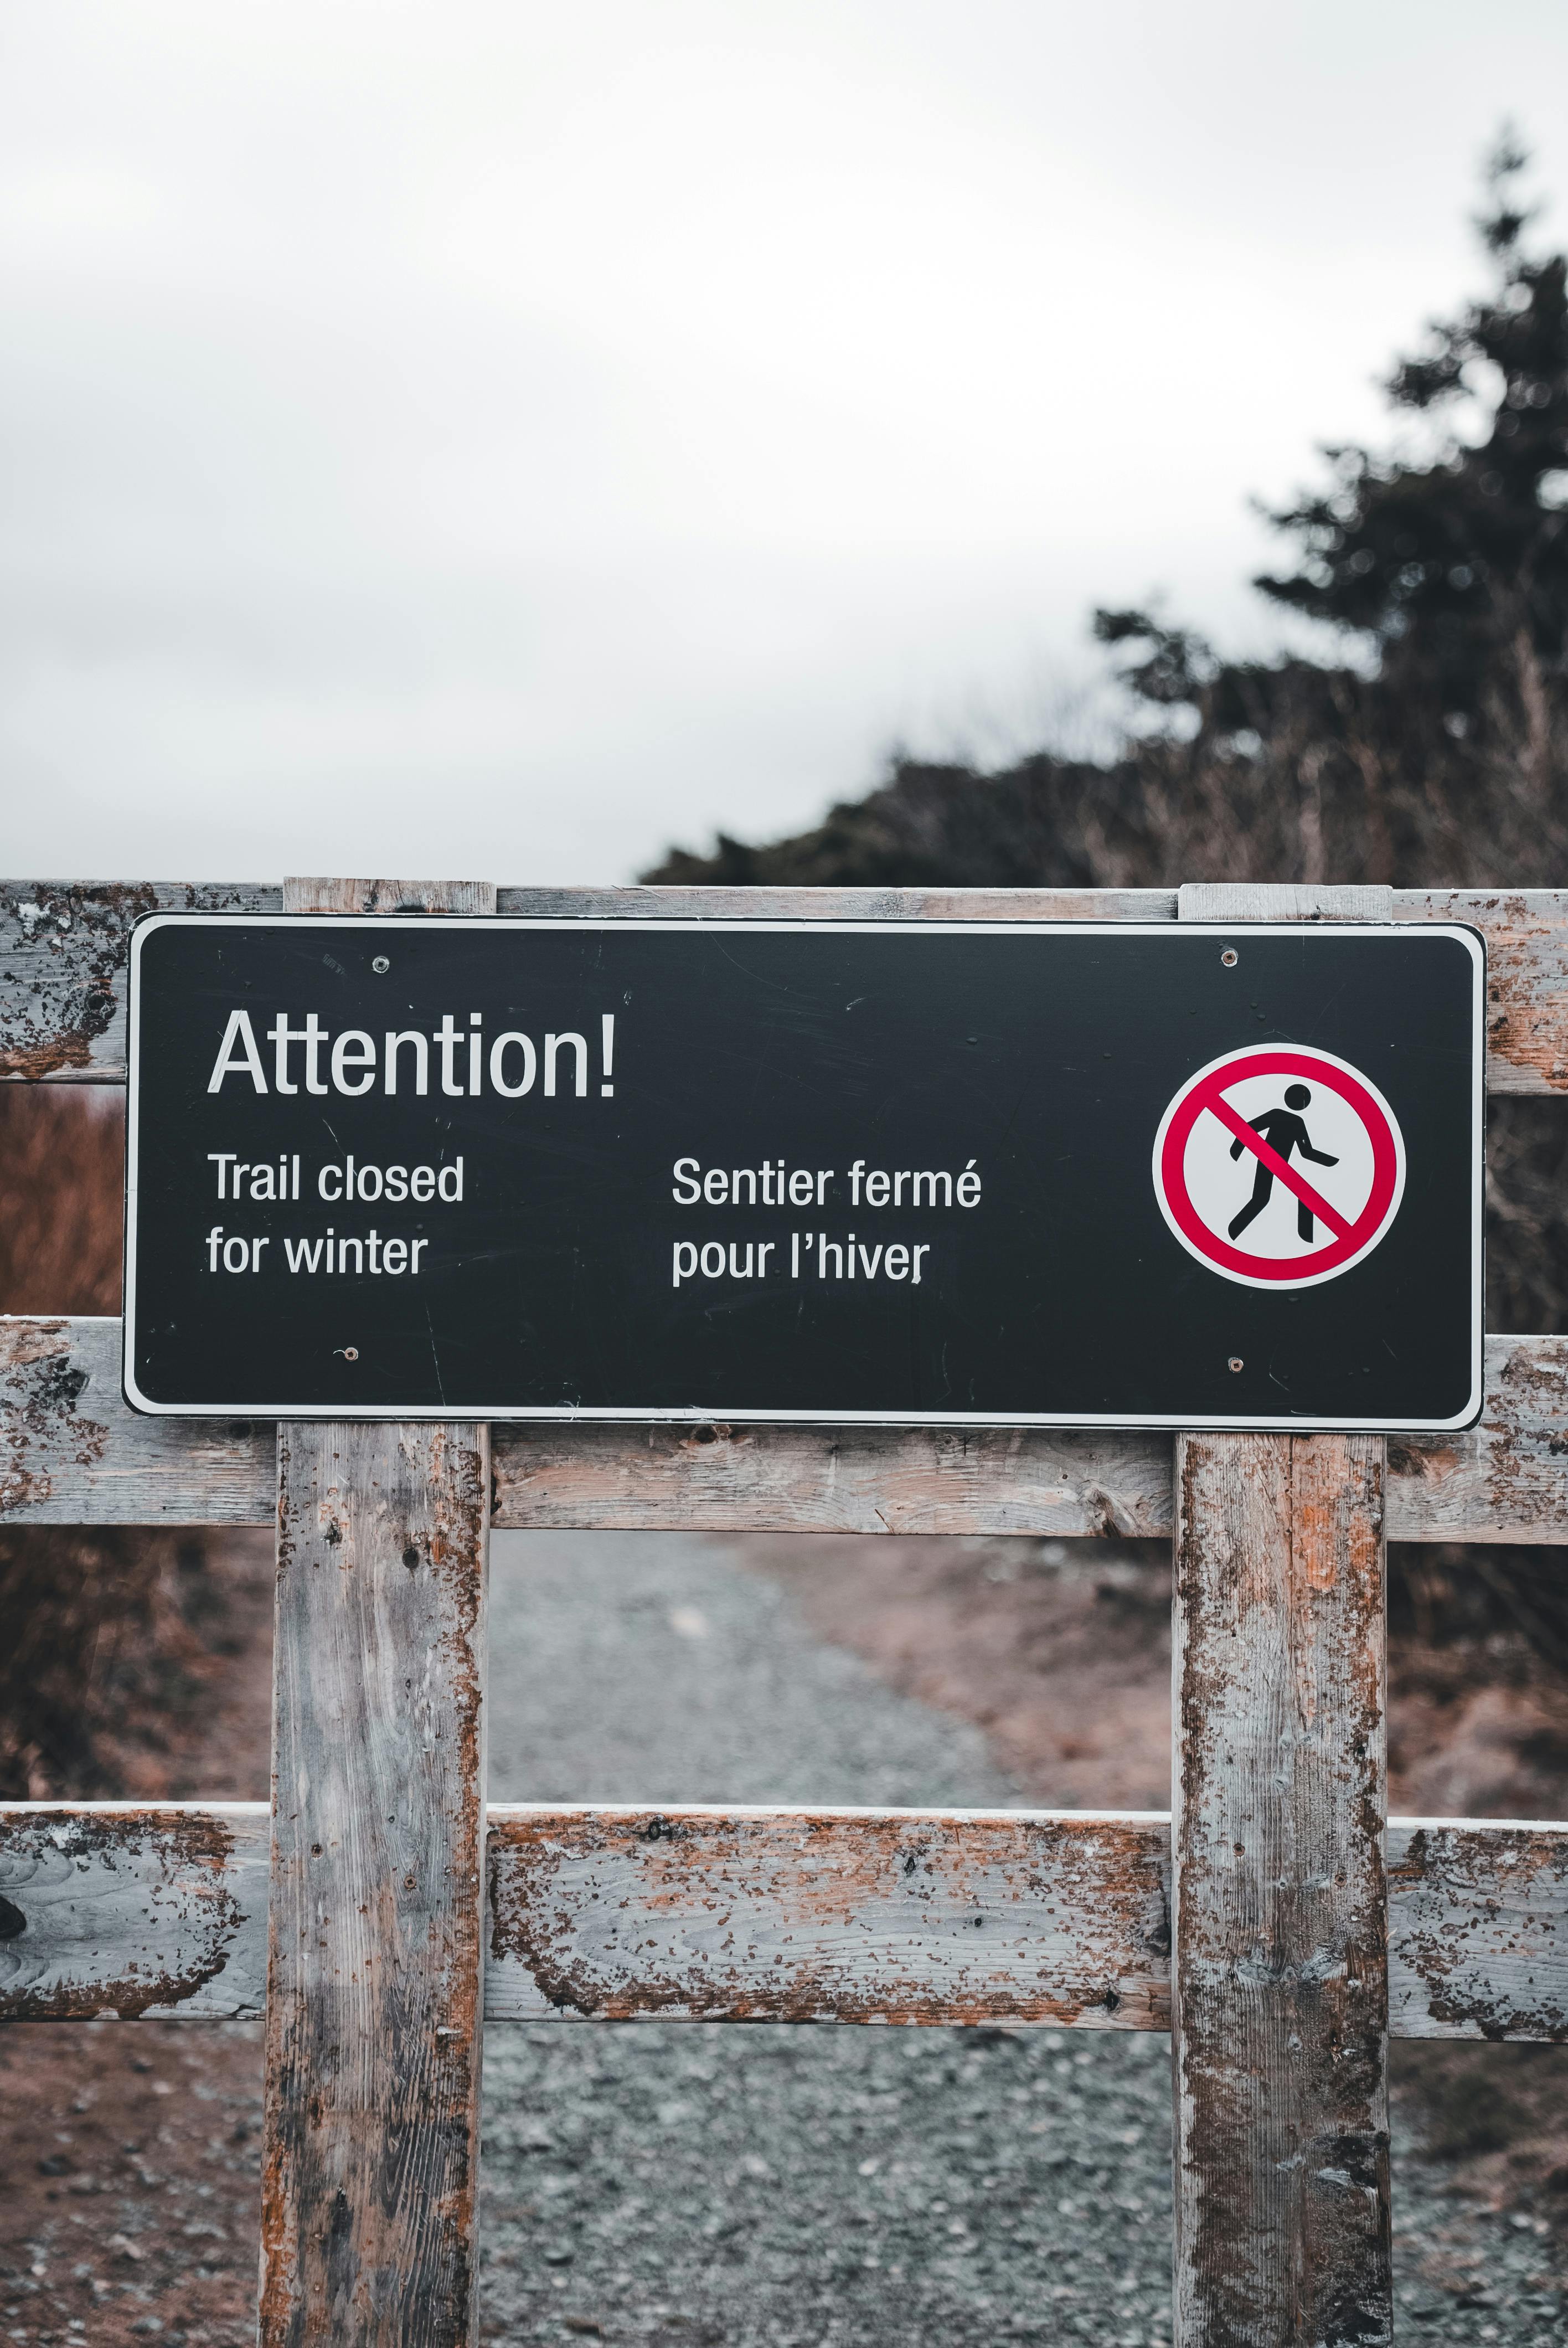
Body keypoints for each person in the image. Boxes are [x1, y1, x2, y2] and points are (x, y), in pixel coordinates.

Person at [1227, 1083, 1339, 1242]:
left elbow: (1306, 1151)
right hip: (1267, 1161)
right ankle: (1233, 1232)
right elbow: (1250, 1128)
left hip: (1281, 1167)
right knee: (1262, 1200)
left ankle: (1306, 1237)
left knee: (1302, 1196)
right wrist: (1236, 1151)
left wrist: (1332, 1162)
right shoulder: (1279, 1115)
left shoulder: (1296, 1121)